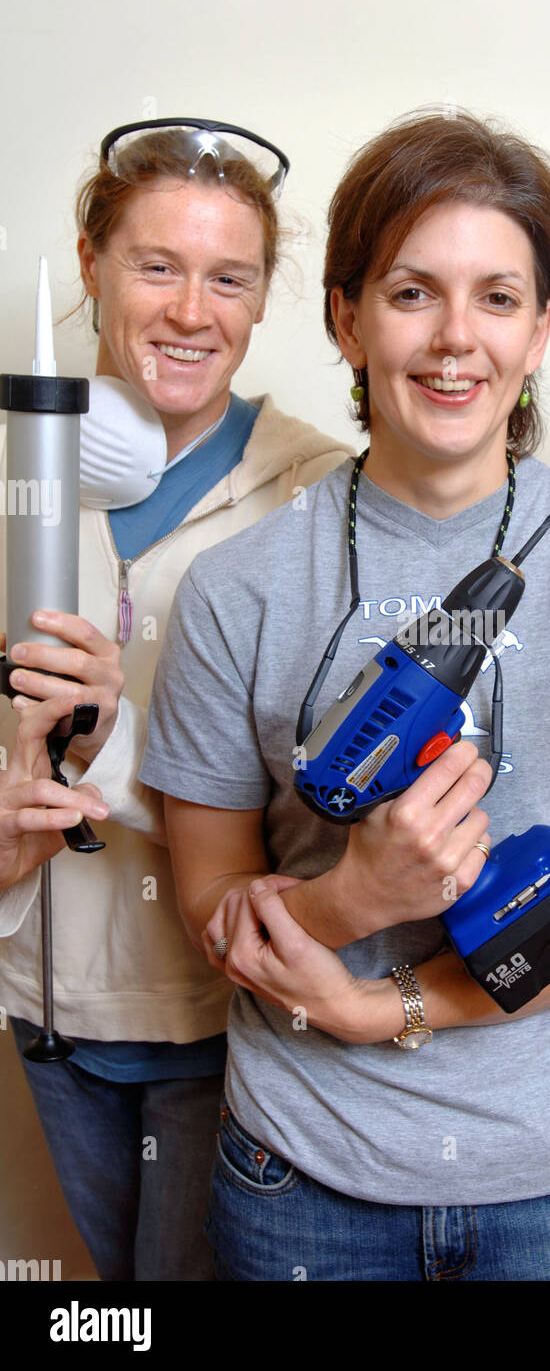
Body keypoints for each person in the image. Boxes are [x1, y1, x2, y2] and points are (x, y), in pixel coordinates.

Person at [140, 110, 550, 1283]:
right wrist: (355, 897)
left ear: (543, 327)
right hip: (304, 1178)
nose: (456, 340)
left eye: (498, 298)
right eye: (412, 294)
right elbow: (209, 919)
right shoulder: (235, 588)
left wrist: (386, 1008)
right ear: (346, 318)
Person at [0, 118, 351, 1280]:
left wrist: (111, 740)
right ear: (92, 261)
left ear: (262, 303)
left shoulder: (317, 495)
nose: (192, 311)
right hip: (45, 1004)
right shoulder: (19, 467)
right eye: (156, 266)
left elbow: (315, 796)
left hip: (222, 1015)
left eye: (229, 278)